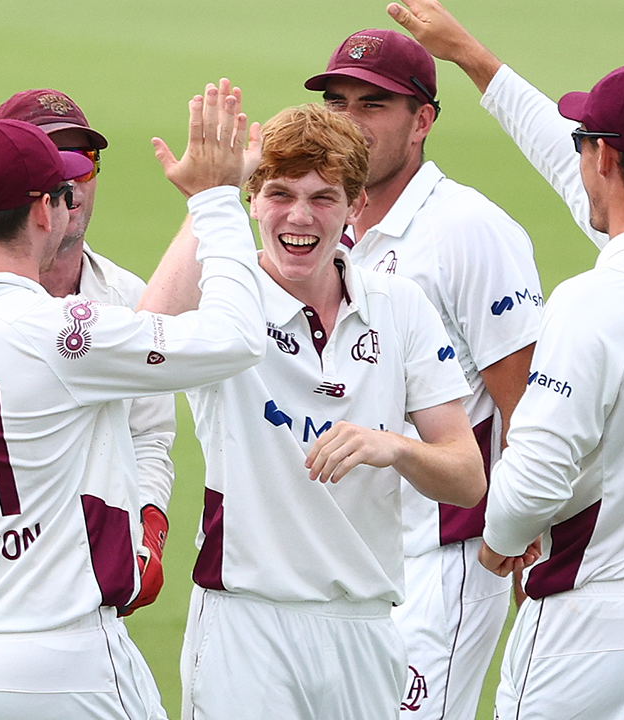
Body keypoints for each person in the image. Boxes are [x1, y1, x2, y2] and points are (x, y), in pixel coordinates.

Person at [390, 2, 624, 718]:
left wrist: (500, 540)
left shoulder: (593, 303)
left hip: (597, 622)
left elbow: (534, 475)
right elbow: (582, 176)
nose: (579, 155)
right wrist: (474, 59)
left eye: (587, 140)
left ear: (609, 158)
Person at [0, 84, 265, 720]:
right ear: (45, 213)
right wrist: (218, 202)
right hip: (63, 661)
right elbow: (238, 338)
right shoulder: (66, 332)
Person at [139, 101, 486, 720]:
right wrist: (210, 194)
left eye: (323, 197)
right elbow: (144, 344)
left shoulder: (399, 305)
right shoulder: (227, 297)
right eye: (278, 193)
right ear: (251, 201)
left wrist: (396, 447)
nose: (298, 216)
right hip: (246, 625)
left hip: (366, 625)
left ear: (356, 208)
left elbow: (466, 477)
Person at [303, 29, 544, 719]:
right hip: (348, 554)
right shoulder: (319, 225)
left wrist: (530, 528)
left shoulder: (468, 229)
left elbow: (520, 399)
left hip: (446, 556)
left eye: (372, 104)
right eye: (337, 102)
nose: (348, 121)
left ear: (423, 121)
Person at [0, 88, 176, 609]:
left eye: (84, 162)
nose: (70, 180)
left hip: (89, 578)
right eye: (49, 159)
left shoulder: (129, 298)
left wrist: (148, 528)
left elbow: (148, 435)